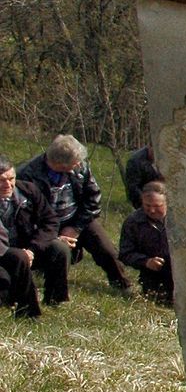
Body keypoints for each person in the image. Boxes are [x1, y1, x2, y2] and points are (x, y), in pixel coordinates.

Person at [20, 135, 129, 296]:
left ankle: (122, 284)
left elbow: (93, 199)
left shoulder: (80, 167)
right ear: (60, 164)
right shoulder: (28, 175)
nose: (79, 164)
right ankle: (54, 292)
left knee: (106, 250)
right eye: (75, 162)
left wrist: (76, 228)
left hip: (77, 218)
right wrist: (54, 237)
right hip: (45, 225)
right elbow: (25, 218)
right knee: (58, 251)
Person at [0, 157, 62, 317]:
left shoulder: (27, 191)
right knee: (9, 275)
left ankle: (55, 299)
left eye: (11, 179)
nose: (8, 185)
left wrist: (33, 248)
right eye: (1, 180)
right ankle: (27, 312)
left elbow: (50, 221)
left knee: (59, 249)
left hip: (27, 247)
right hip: (3, 252)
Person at [117, 181, 172, 305]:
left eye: (157, 206)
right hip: (153, 277)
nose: (152, 210)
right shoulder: (133, 222)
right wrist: (146, 261)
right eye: (147, 205)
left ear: (168, 203)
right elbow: (125, 253)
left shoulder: (181, 220)